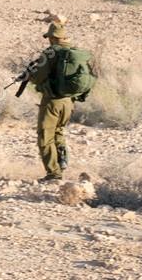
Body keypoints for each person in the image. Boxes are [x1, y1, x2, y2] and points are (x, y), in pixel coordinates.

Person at [26, 22, 94, 182]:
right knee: (58, 131)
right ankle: (62, 162)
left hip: (52, 101)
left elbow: (37, 76)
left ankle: (53, 174)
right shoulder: (74, 52)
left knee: (45, 135)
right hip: (69, 101)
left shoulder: (51, 52)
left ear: (53, 38)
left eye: (49, 37)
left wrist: (30, 76)